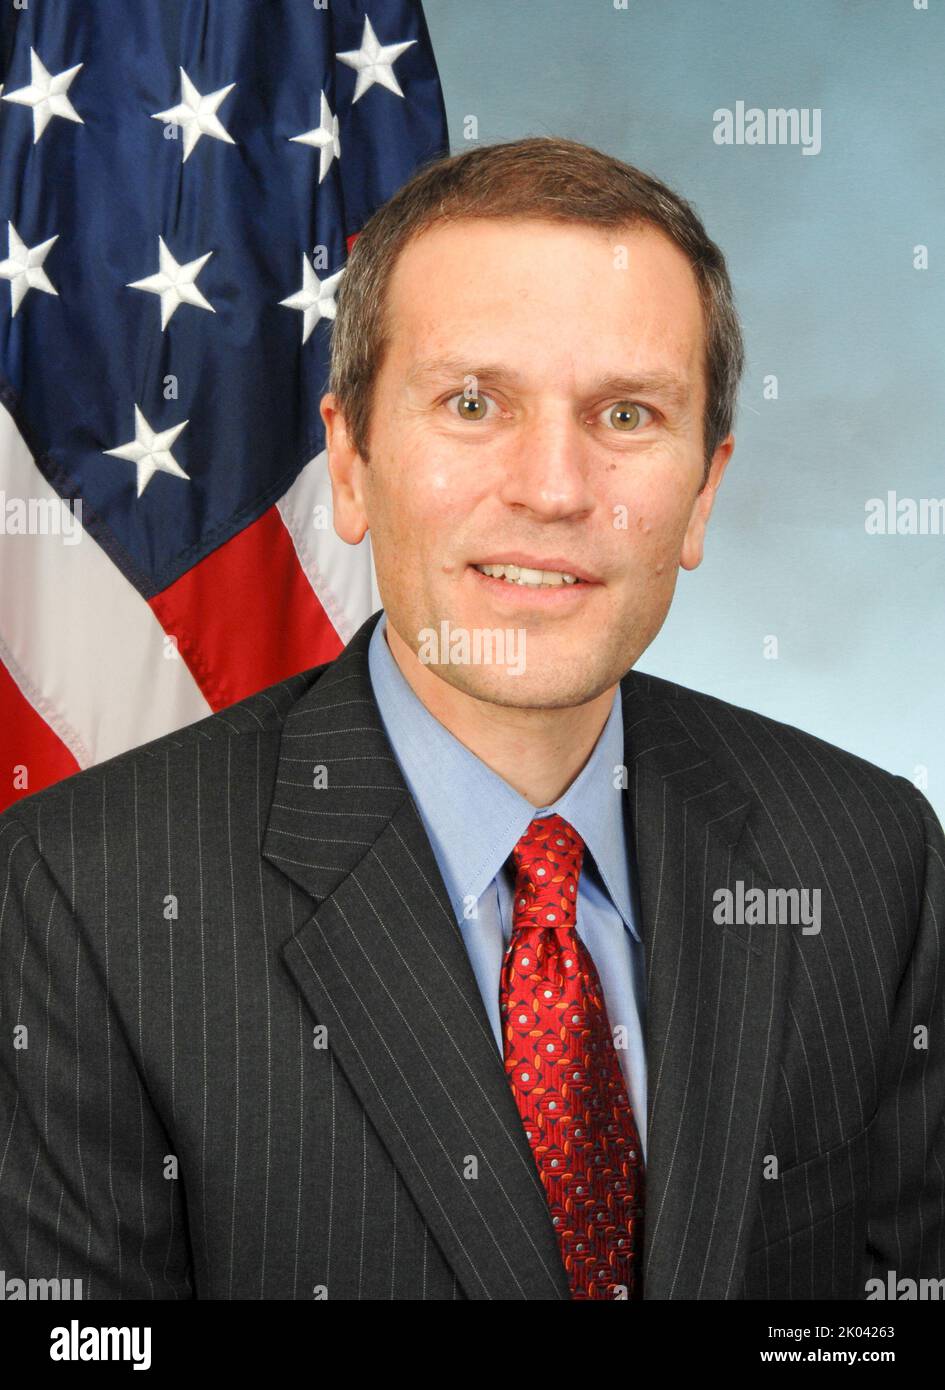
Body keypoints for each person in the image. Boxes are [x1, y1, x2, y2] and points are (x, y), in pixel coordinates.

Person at [1, 136, 942, 1301]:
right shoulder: (85, 891)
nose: (552, 486)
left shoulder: (868, 854)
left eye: (629, 414)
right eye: (472, 401)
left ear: (703, 489)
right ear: (349, 462)